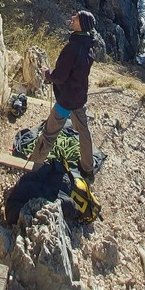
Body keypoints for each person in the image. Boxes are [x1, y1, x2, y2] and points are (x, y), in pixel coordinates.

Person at [29, 10, 97, 181]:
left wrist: (47, 74)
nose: (72, 18)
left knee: (49, 134)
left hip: (65, 100)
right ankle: (88, 168)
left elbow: (60, 76)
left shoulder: (72, 48)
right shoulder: (89, 48)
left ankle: (34, 165)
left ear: (81, 25)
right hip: (79, 98)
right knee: (84, 132)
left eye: (76, 18)